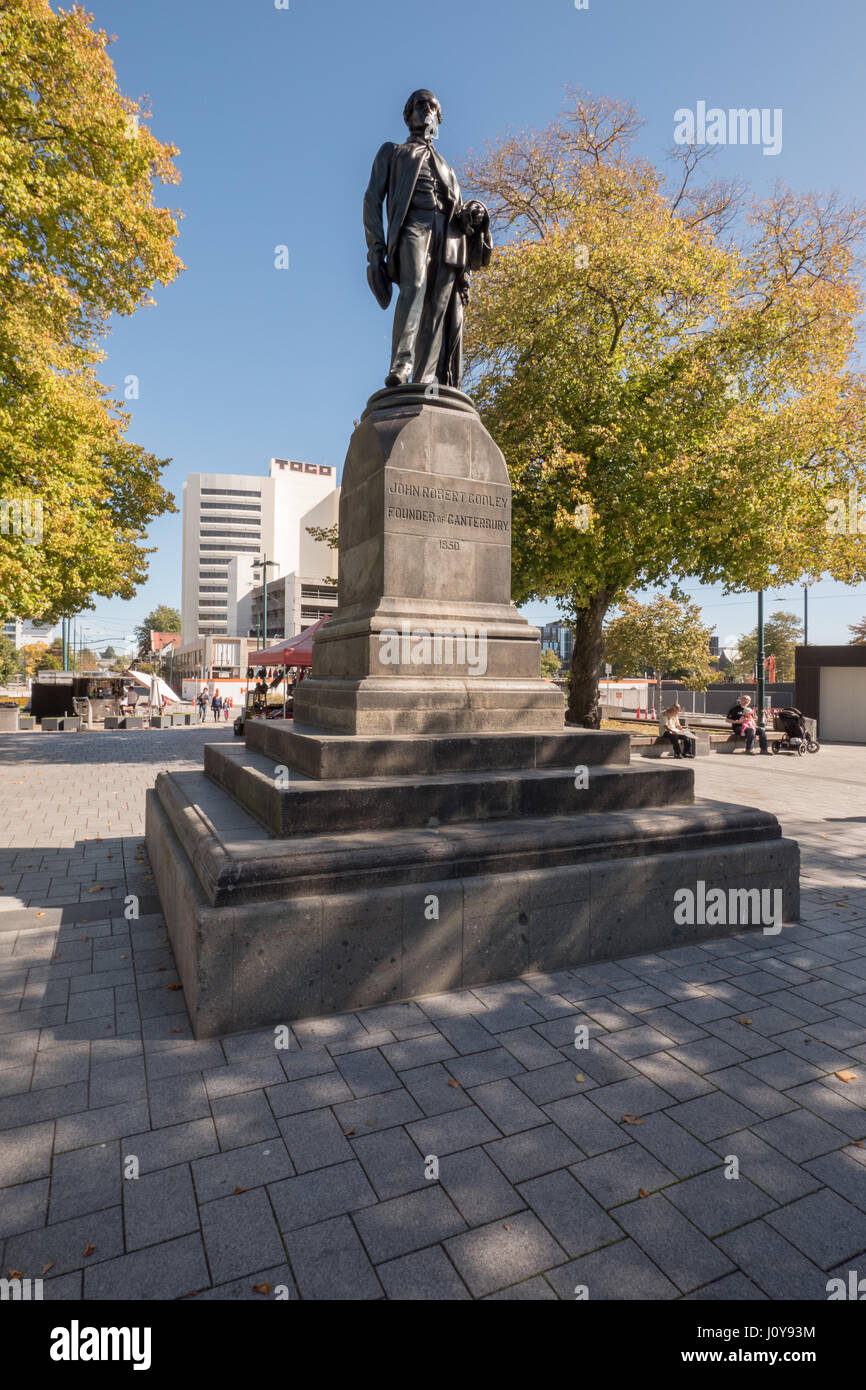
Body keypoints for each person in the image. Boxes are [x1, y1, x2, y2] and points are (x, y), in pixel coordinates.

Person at [363, 89, 492, 387]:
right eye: (419, 105)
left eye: (432, 106)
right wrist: (376, 247)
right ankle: (402, 366)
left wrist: (475, 211)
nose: (426, 110)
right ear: (408, 115)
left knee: (438, 305)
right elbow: (371, 199)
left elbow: (457, 210)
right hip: (414, 225)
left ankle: (427, 378)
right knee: (415, 286)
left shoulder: (447, 168)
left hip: (450, 238)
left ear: (438, 118)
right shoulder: (392, 152)